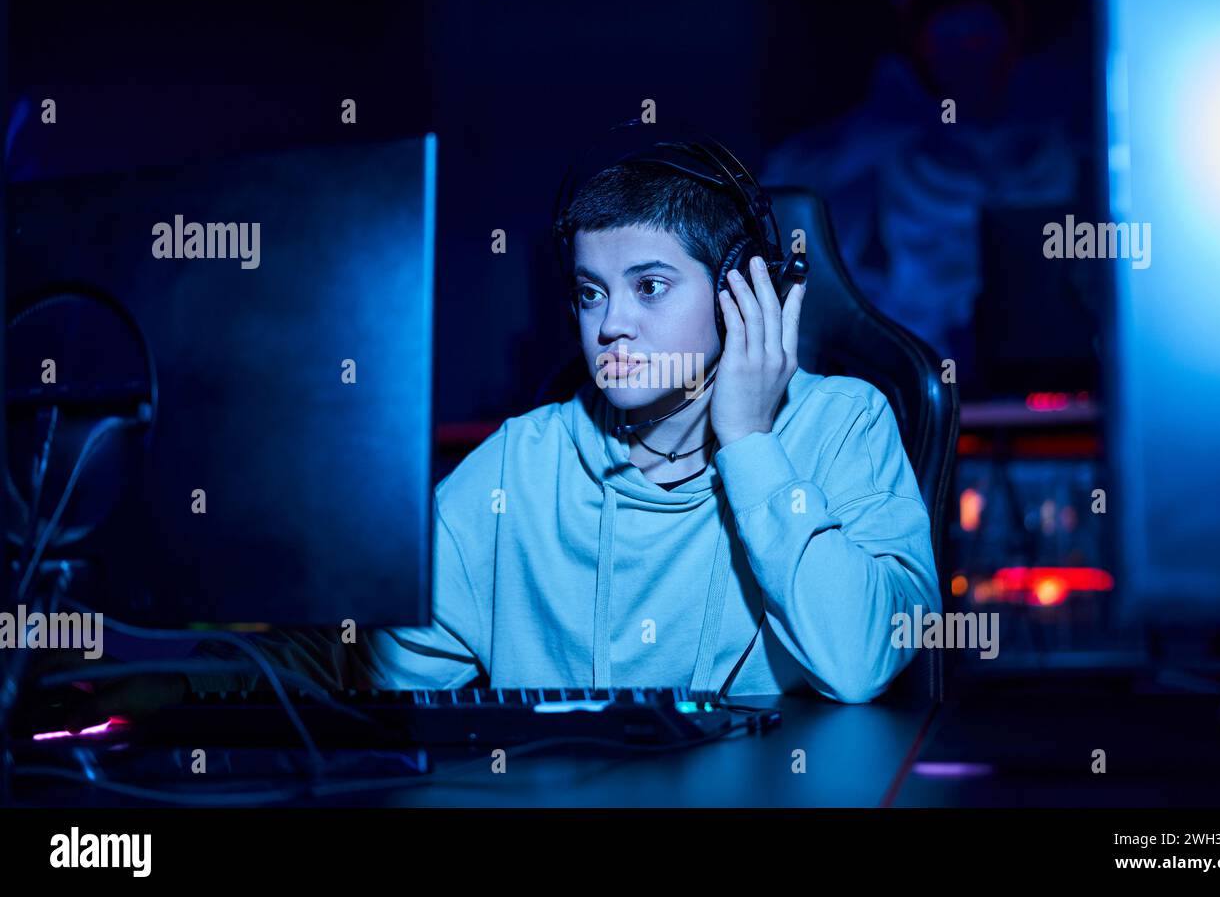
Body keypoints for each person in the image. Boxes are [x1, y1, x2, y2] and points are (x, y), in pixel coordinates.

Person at [49, 149, 941, 728]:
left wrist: (748, 441)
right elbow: (375, 661)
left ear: (745, 296)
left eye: (650, 286)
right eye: (591, 294)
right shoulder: (526, 461)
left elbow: (863, 660)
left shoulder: (844, 424)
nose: (611, 328)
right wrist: (161, 680)